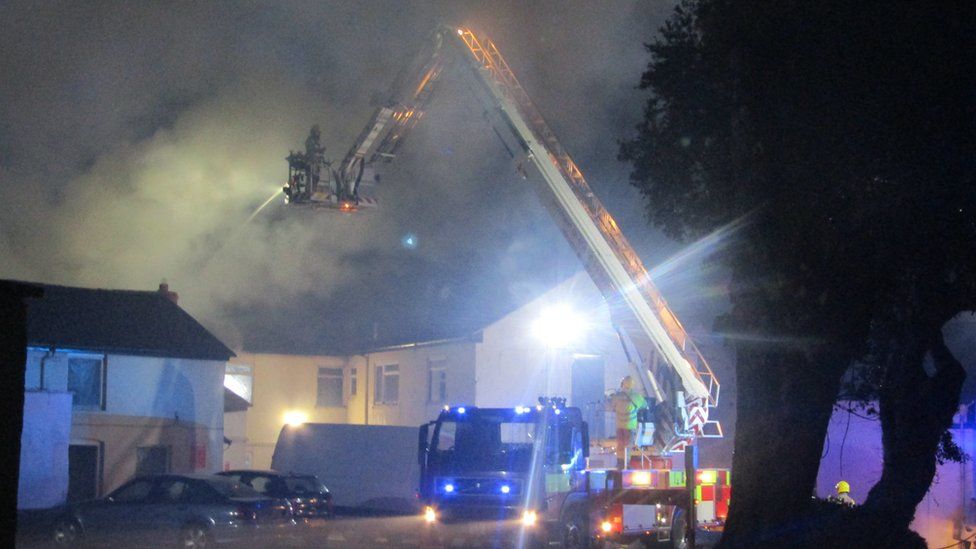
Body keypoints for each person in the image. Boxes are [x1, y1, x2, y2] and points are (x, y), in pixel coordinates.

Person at [608, 375, 647, 469]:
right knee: (628, 446)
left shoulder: (617, 396)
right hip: (630, 427)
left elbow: (610, 406)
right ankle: (626, 464)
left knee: (620, 445)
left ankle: (620, 463)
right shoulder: (636, 396)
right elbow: (645, 405)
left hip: (619, 426)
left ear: (623, 384)